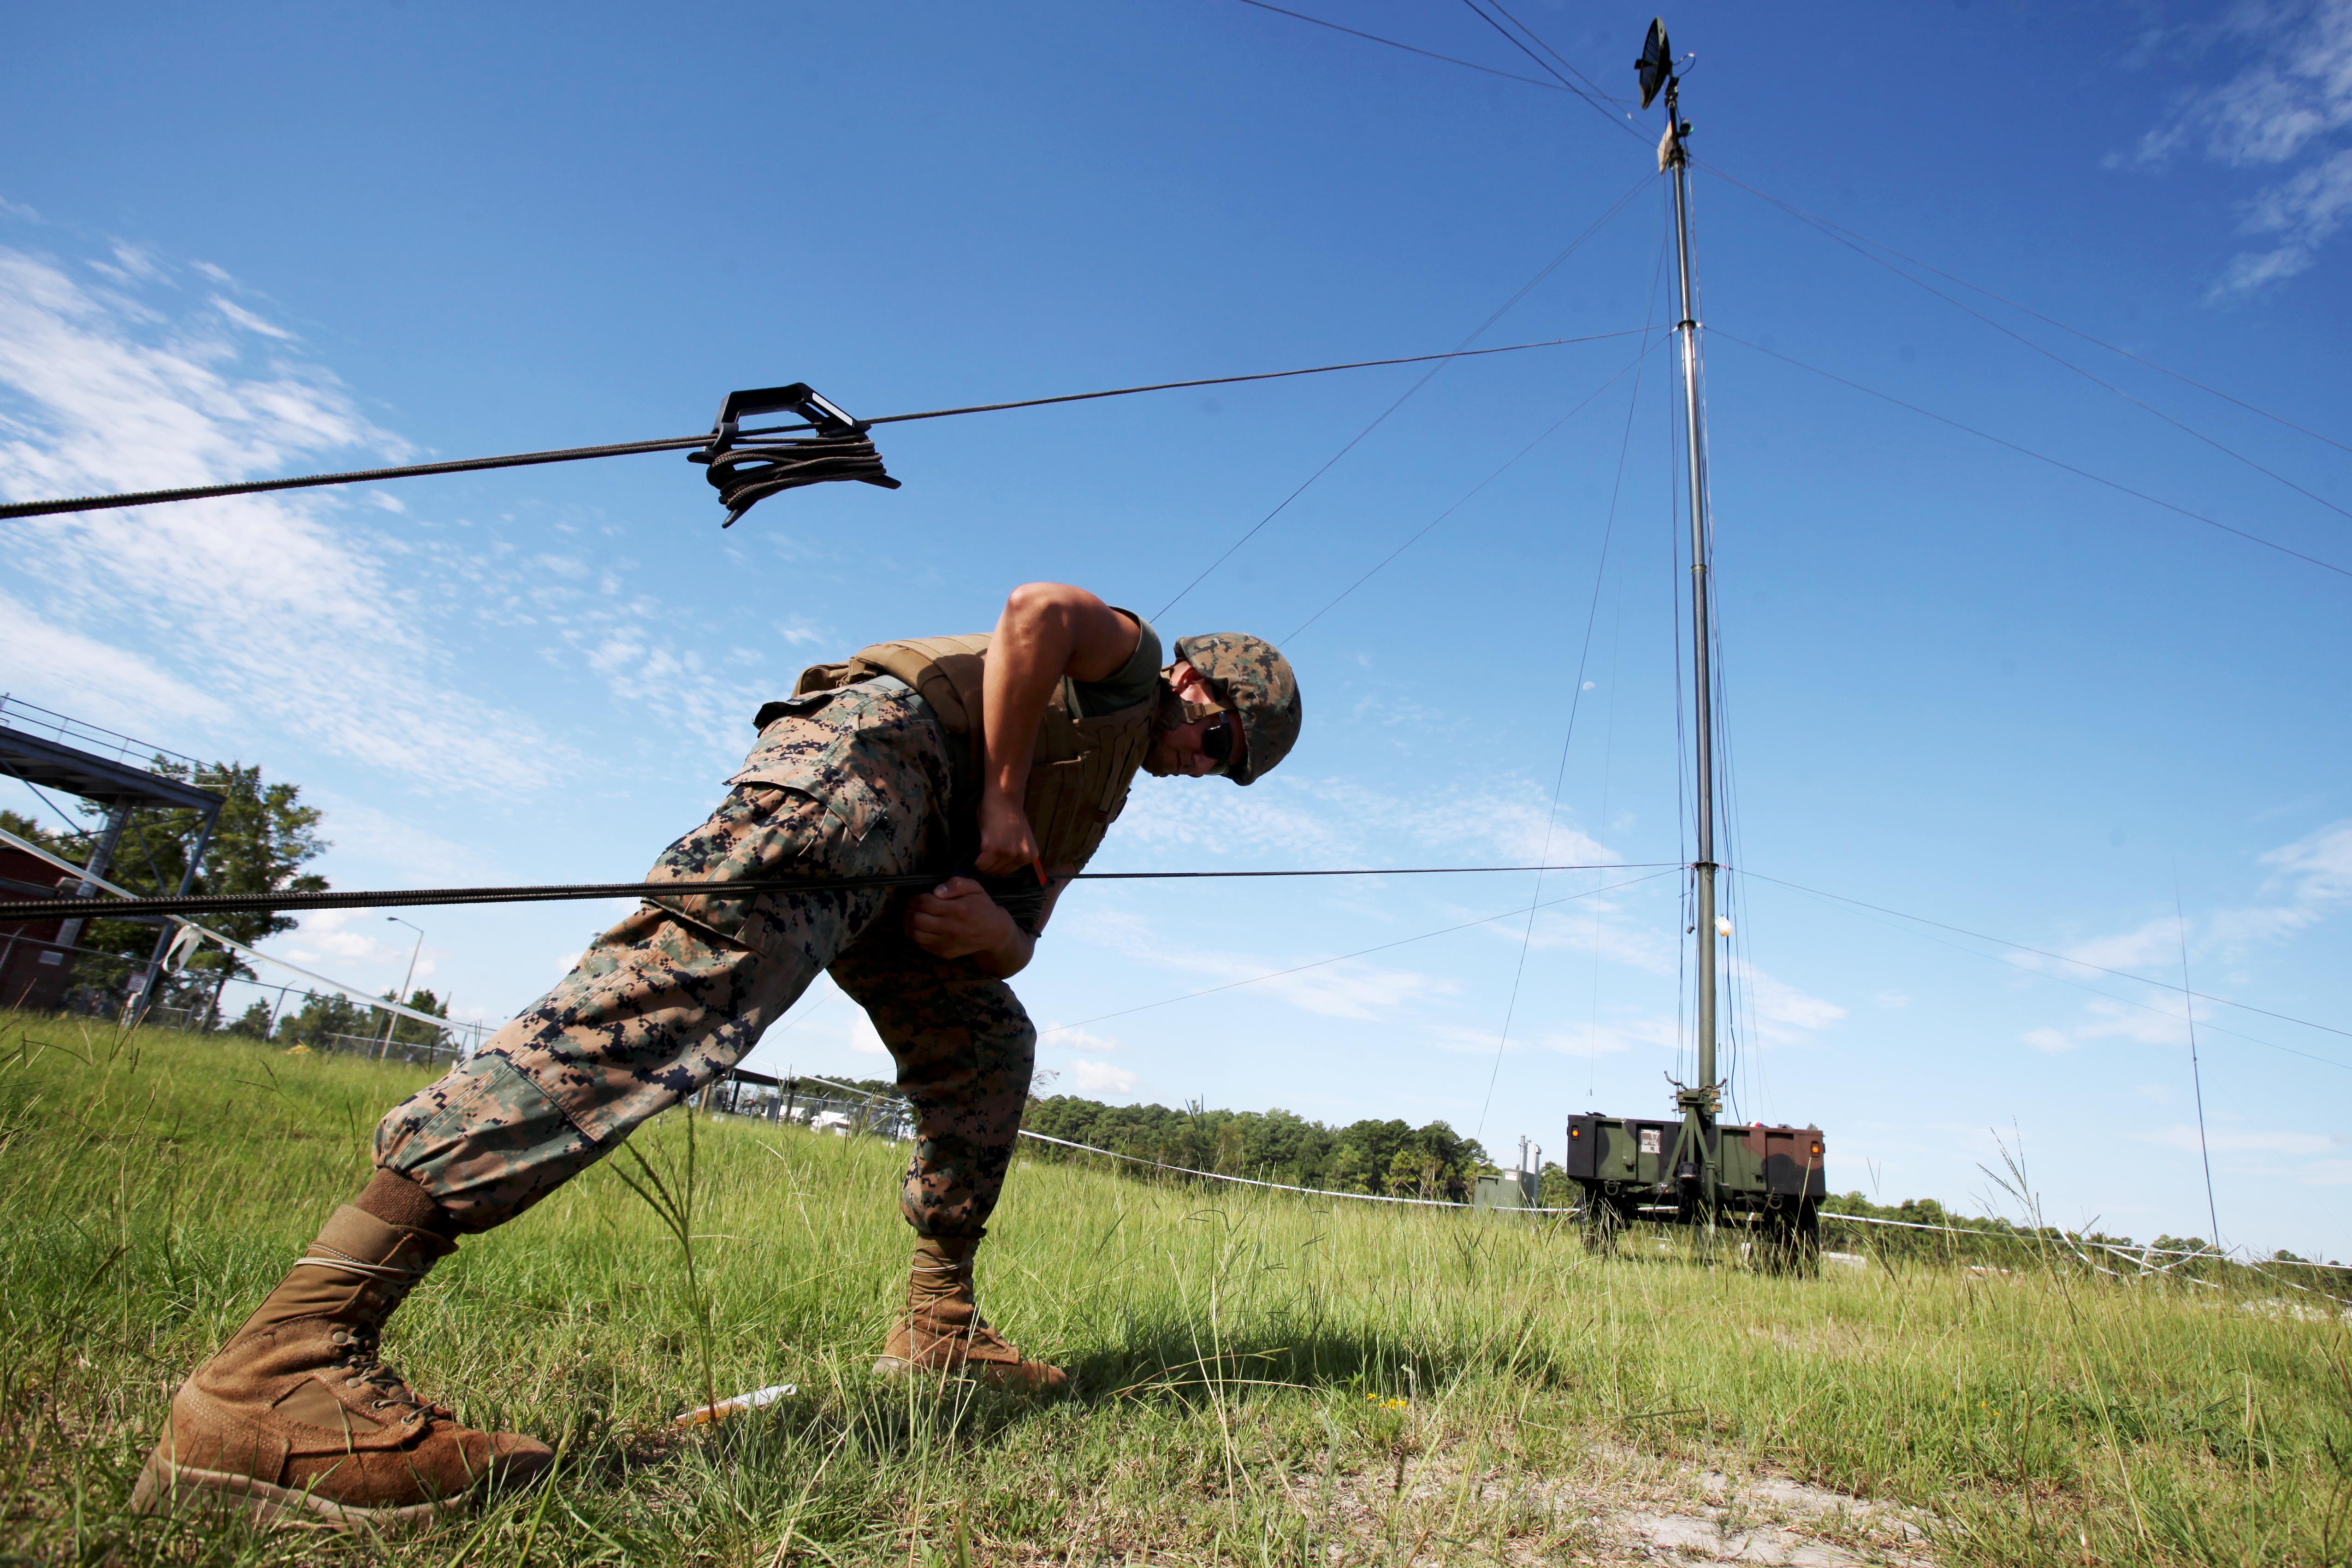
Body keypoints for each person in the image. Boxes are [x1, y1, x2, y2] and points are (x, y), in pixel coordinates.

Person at [134, 583, 1303, 1528]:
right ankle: (279, 1368)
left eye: (1229, 771)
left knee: (987, 1042)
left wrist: (999, 936)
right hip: (868, 773)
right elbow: (1036, 611)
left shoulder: (1099, 798)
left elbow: (1016, 935)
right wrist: (997, 799)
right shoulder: (1130, 660)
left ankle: (940, 1330)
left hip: (912, 868)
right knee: (670, 1003)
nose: (1206, 767)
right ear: (1197, 681)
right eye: (1221, 741)